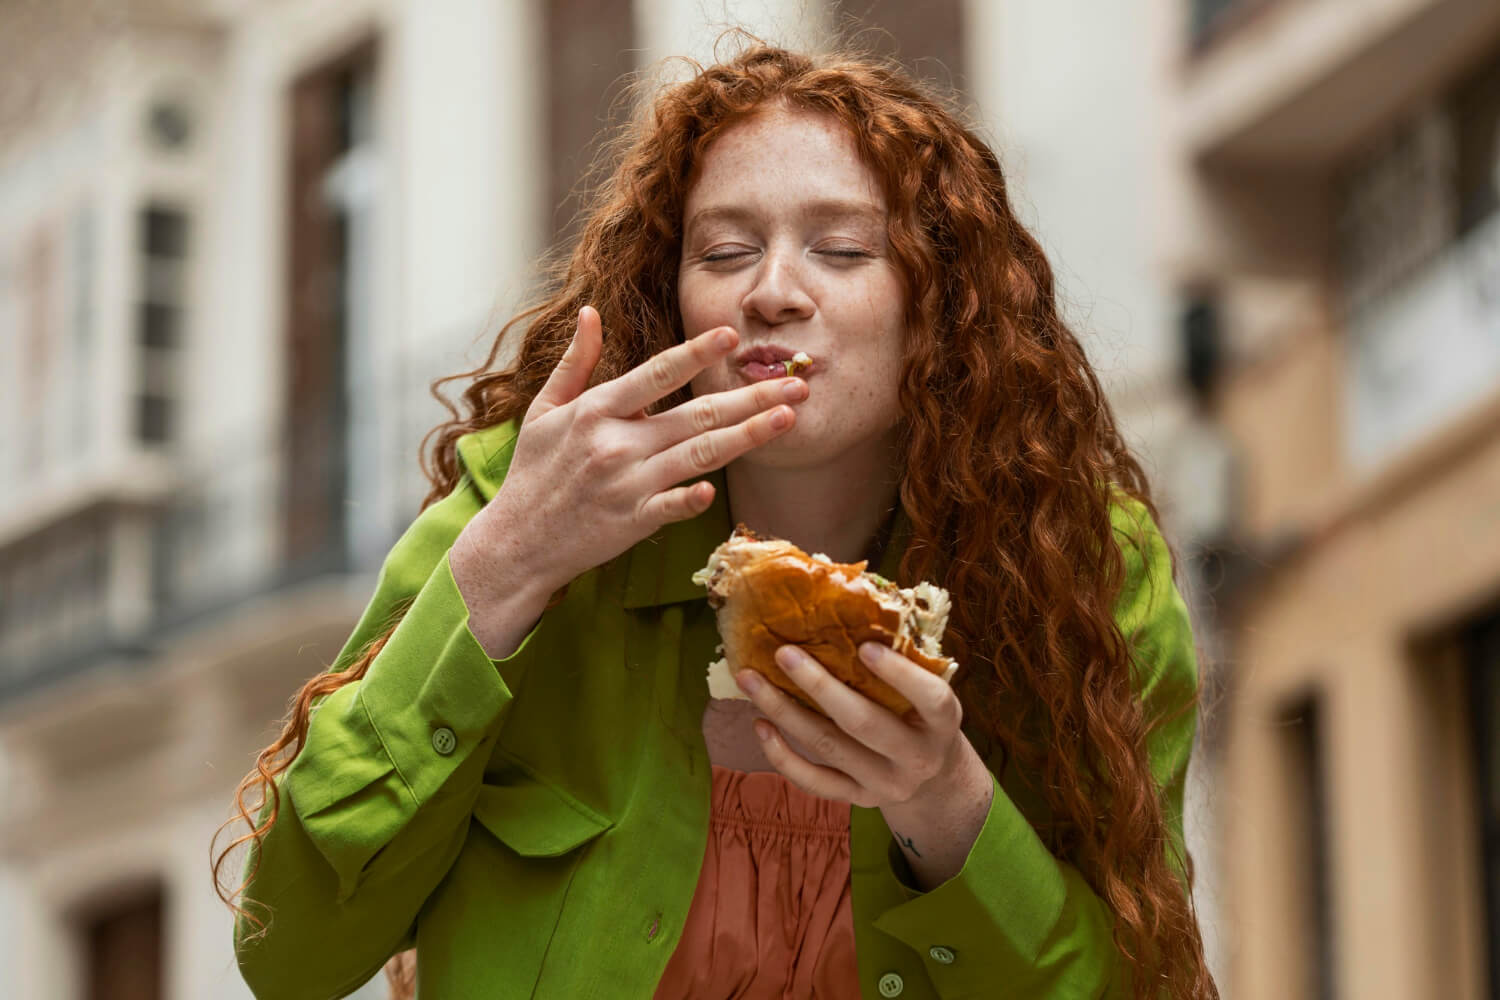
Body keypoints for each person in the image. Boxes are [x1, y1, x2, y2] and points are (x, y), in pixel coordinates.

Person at [214, 41, 1219, 1000]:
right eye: (726, 250)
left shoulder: (1080, 568)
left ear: (940, 300)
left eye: (842, 248)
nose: (773, 291)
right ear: (673, 299)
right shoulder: (520, 507)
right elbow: (292, 954)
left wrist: (945, 801)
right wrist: (503, 573)